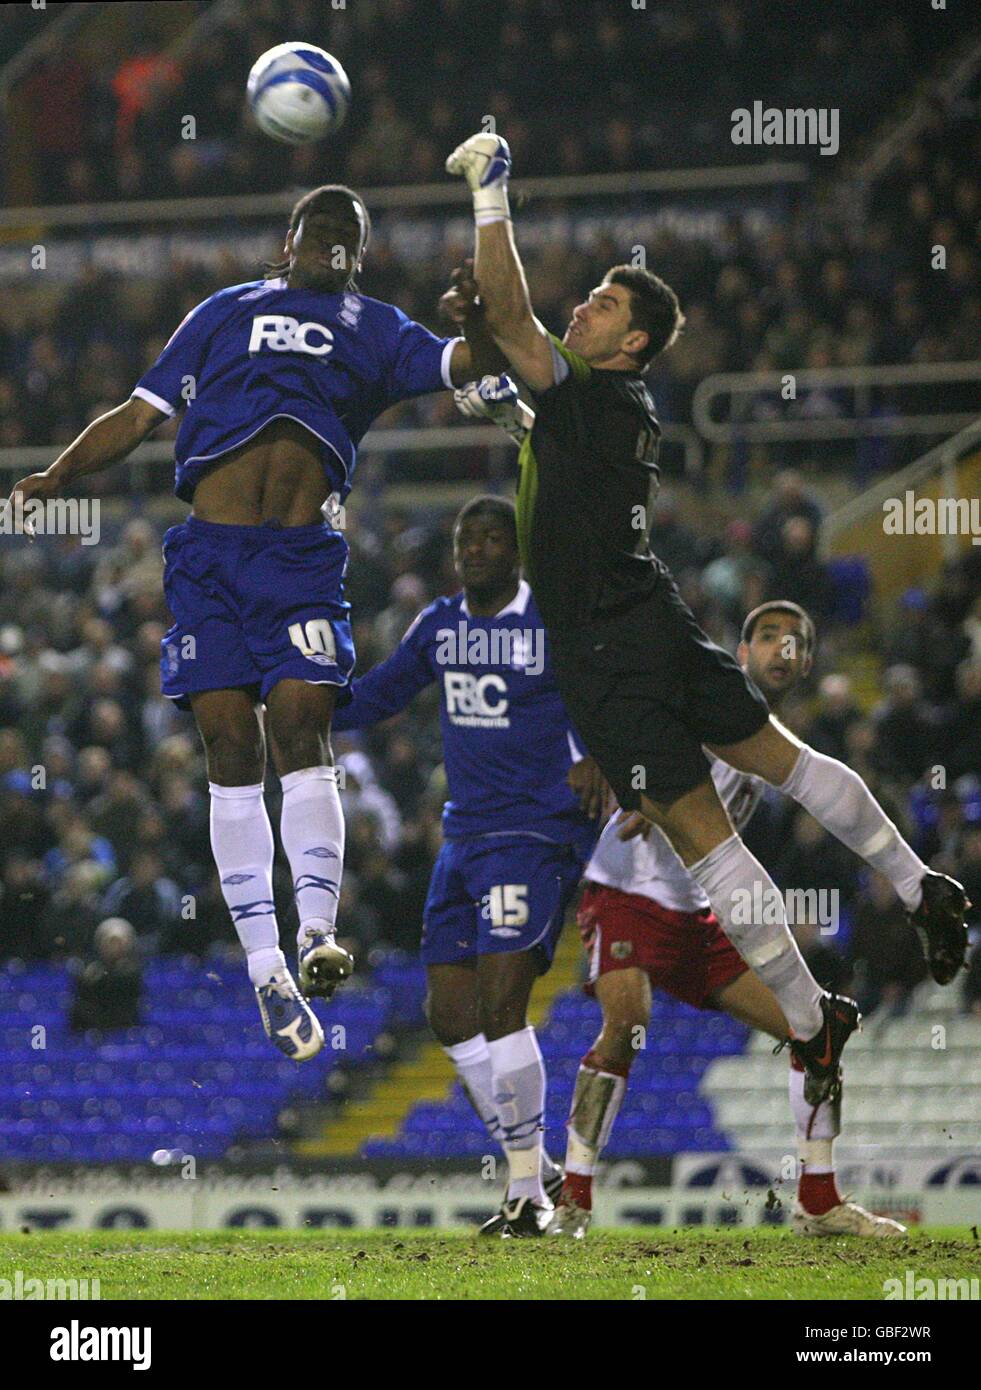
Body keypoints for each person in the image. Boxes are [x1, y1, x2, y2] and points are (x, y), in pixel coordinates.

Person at [442, 132, 969, 1108]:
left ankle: (814, 1022)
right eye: (590, 295)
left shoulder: (584, 387)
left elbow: (509, 316)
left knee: (710, 842)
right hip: (659, 615)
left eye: (603, 305)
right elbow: (554, 434)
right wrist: (508, 409)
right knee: (788, 760)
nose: (583, 307)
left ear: (629, 341)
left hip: (607, 657)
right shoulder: (620, 405)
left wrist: (492, 195)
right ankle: (920, 881)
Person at [7, 183, 495, 1063]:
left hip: (302, 560)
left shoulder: (378, 329)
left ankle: (316, 933)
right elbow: (139, 412)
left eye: (352, 233)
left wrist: (480, 316)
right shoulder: (224, 311)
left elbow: (470, 365)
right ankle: (265, 966)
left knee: (303, 724)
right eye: (322, 227)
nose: (335, 241)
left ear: (360, 255)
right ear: (290, 240)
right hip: (208, 561)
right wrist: (58, 473)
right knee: (229, 746)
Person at [546, 602, 905, 1240]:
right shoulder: (703, 692)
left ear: (808, 664)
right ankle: (573, 1200)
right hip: (627, 887)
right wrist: (615, 761)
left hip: (699, 910)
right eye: (768, 637)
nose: (782, 650)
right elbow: (624, 698)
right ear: (741, 654)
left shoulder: (774, 741)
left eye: (795, 641)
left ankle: (818, 1200)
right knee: (627, 1023)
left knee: (815, 1031)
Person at [332, 496, 608, 1235]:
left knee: (499, 1004)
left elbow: (598, 696)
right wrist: (298, 707)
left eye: (492, 539)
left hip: (532, 833)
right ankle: (538, 1167)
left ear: (516, 553)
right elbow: (381, 693)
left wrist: (588, 759)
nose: (477, 549)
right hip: (462, 838)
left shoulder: (548, 624)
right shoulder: (440, 624)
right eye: (466, 540)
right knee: (448, 1014)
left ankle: (526, 1193)